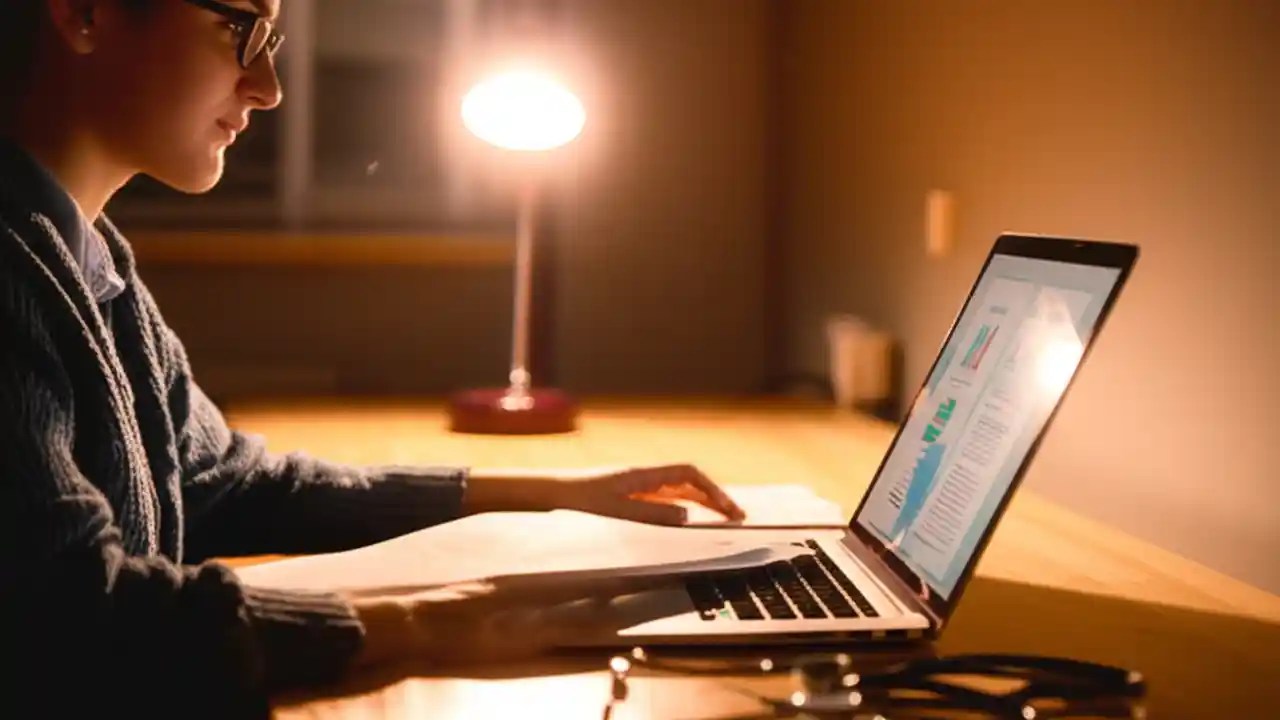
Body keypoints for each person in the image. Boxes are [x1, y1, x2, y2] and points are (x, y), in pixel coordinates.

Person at [0, 0, 746, 714]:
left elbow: (227, 487)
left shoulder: (87, 261)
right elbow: (72, 623)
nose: (268, 87)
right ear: (84, 10)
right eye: (240, 29)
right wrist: (445, 619)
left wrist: (556, 492)